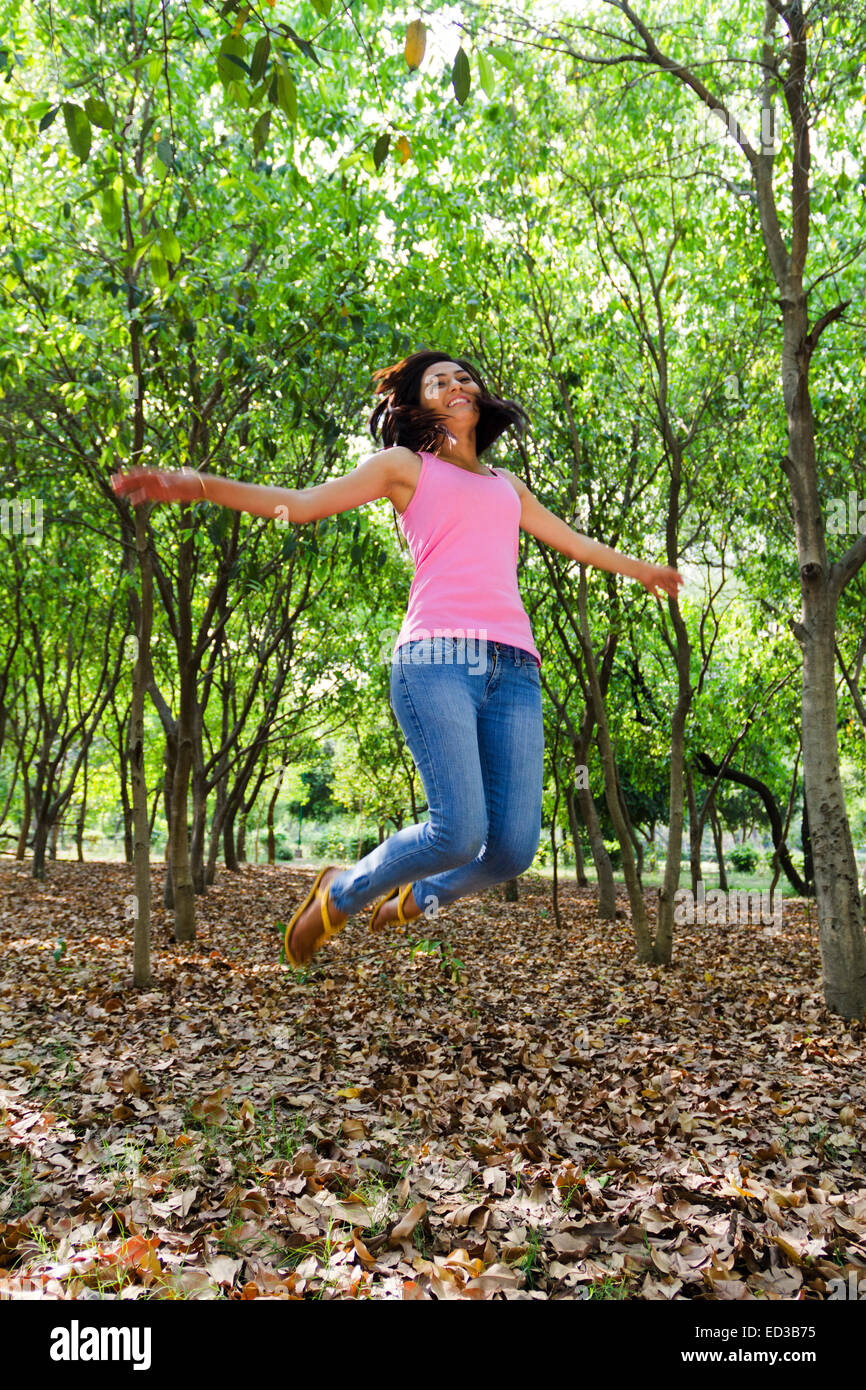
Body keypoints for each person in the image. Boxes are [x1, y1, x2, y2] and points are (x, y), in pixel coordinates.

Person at [111, 349, 683, 968]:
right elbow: (300, 503)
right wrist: (198, 486)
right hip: (435, 660)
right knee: (458, 831)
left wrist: (643, 569)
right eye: (438, 382)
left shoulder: (507, 486)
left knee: (513, 850)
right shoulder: (404, 467)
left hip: (516, 671)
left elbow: (574, 541)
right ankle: (343, 892)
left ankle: (420, 898)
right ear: (417, 404)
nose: (455, 385)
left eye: (463, 377)